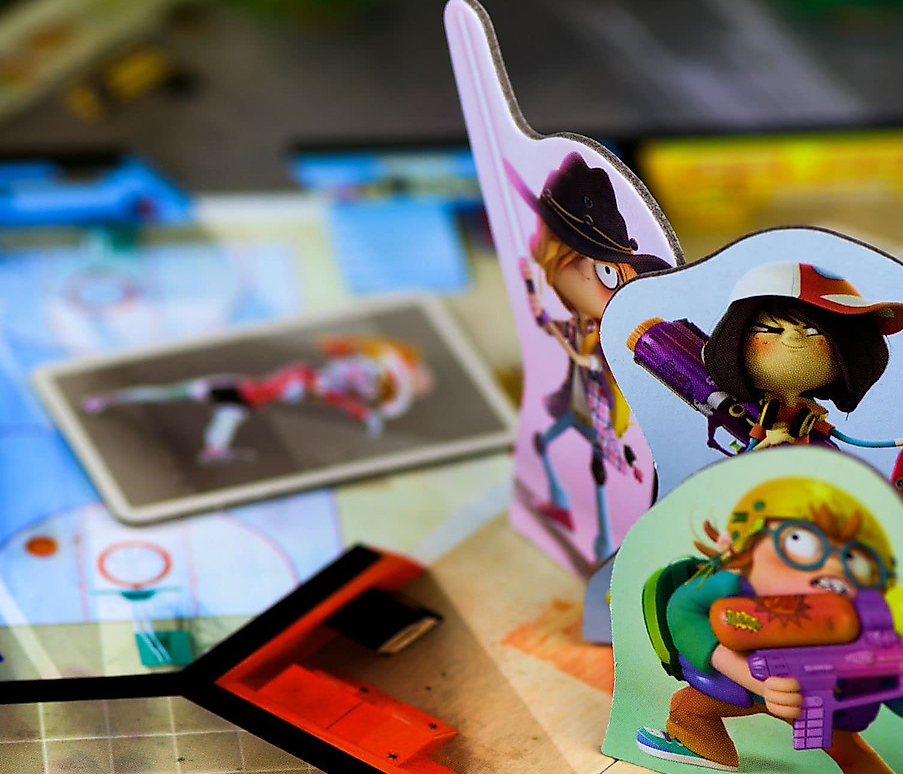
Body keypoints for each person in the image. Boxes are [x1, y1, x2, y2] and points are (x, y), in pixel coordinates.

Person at [635, 476, 903, 774]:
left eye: (854, 560)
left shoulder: (864, 626)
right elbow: (683, 612)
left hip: (815, 702)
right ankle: (700, 743)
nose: (831, 567)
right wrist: (750, 678)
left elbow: (902, 692)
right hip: (738, 685)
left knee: (849, 749)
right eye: (800, 541)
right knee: (689, 707)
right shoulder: (731, 587)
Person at [510, 152, 670, 560]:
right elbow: (545, 322)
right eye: (605, 274)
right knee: (545, 442)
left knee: (600, 473)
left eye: (612, 276)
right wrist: (529, 287)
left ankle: (604, 543)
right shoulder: (580, 326)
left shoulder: (609, 338)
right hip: (575, 402)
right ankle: (561, 500)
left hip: (601, 414)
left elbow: (590, 361)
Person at [700, 261, 903, 454]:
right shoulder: (758, 413)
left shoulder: (808, 414)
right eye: (772, 329)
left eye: (815, 332)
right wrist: (768, 440)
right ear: (734, 335)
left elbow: (853, 441)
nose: (794, 338)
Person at [81, 335, 433, 463]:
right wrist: (365, 412)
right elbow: (331, 379)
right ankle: (107, 399)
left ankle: (214, 450)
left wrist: (366, 415)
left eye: (369, 380)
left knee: (224, 422)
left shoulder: (324, 387)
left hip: (245, 400)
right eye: (363, 371)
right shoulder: (313, 377)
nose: (358, 374)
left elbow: (339, 398)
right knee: (168, 394)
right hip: (237, 388)